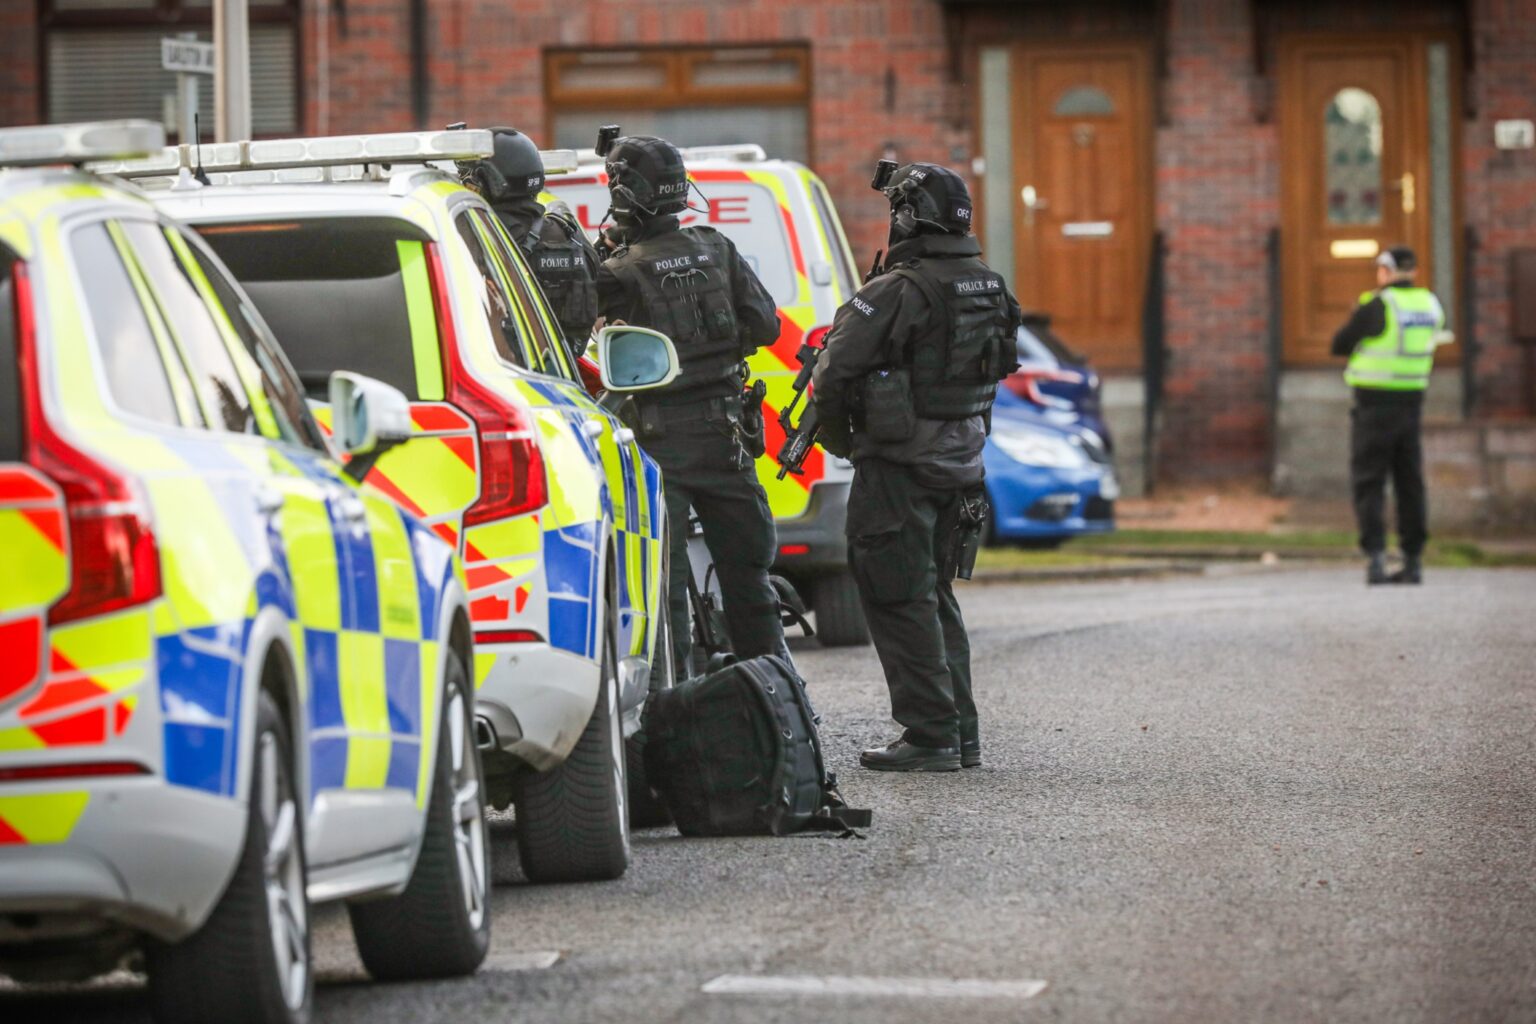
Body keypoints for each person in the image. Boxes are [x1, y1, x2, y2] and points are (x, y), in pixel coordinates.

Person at [811, 162, 1021, 772]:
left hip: (899, 469)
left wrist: (843, 442)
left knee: (897, 597)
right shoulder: (989, 283)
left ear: (908, 216)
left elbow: (833, 372)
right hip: (962, 464)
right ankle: (960, 733)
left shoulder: (897, 290)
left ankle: (930, 735)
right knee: (934, 595)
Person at [592, 132, 788, 673]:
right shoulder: (717, 247)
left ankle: (676, 706)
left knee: (666, 585)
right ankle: (774, 697)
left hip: (660, 445)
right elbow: (766, 327)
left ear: (625, 193)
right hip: (727, 437)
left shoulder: (617, 272)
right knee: (749, 577)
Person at [1331, 245, 1450, 585]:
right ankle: (1413, 561)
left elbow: (1340, 344)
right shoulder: (1430, 304)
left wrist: (1358, 313)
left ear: (1385, 271)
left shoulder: (1379, 304)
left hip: (1374, 405)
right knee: (1410, 482)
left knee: (1370, 481)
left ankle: (1376, 559)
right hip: (1412, 402)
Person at [458, 126, 600, 359]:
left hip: (501, 376)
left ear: (488, 182)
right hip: (565, 374)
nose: (467, 187)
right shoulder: (569, 234)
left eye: (470, 180)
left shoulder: (472, 237)